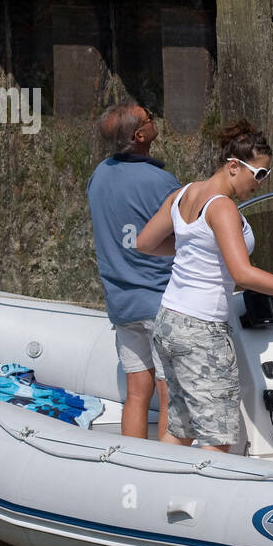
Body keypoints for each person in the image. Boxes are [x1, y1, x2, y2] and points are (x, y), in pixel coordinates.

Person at [136, 120, 273, 451]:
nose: (261, 184)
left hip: (169, 319)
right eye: (260, 174)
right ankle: (208, 503)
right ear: (234, 167)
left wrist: (192, 249)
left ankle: (159, 493)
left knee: (180, 427)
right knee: (219, 437)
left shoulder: (185, 193)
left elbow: (145, 243)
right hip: (201, 329)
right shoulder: (222, 206)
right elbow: (243, 275)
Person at [87, 103, 182, 442]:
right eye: (148, 118)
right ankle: (167, 471)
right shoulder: (162, 181)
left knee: (137, 392)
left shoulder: (99, 175)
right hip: (160, 300)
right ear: (140, 136)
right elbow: (183, 234)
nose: (154, 119)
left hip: (121, 302)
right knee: (170, 392)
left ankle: (131, 463)